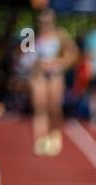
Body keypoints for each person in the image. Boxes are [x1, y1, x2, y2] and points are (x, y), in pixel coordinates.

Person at [18, 7, 77, 156]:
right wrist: (34, 63)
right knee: (40, 106)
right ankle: (40, 138)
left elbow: (72, 53)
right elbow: (24, 58)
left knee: (54, 107)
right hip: (38, 74)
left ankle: (54, 134)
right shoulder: (30, 34)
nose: (45, 24)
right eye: (42, 21)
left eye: (48, 21)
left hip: (54, 74)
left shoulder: (60, 34)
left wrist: (60, 63)